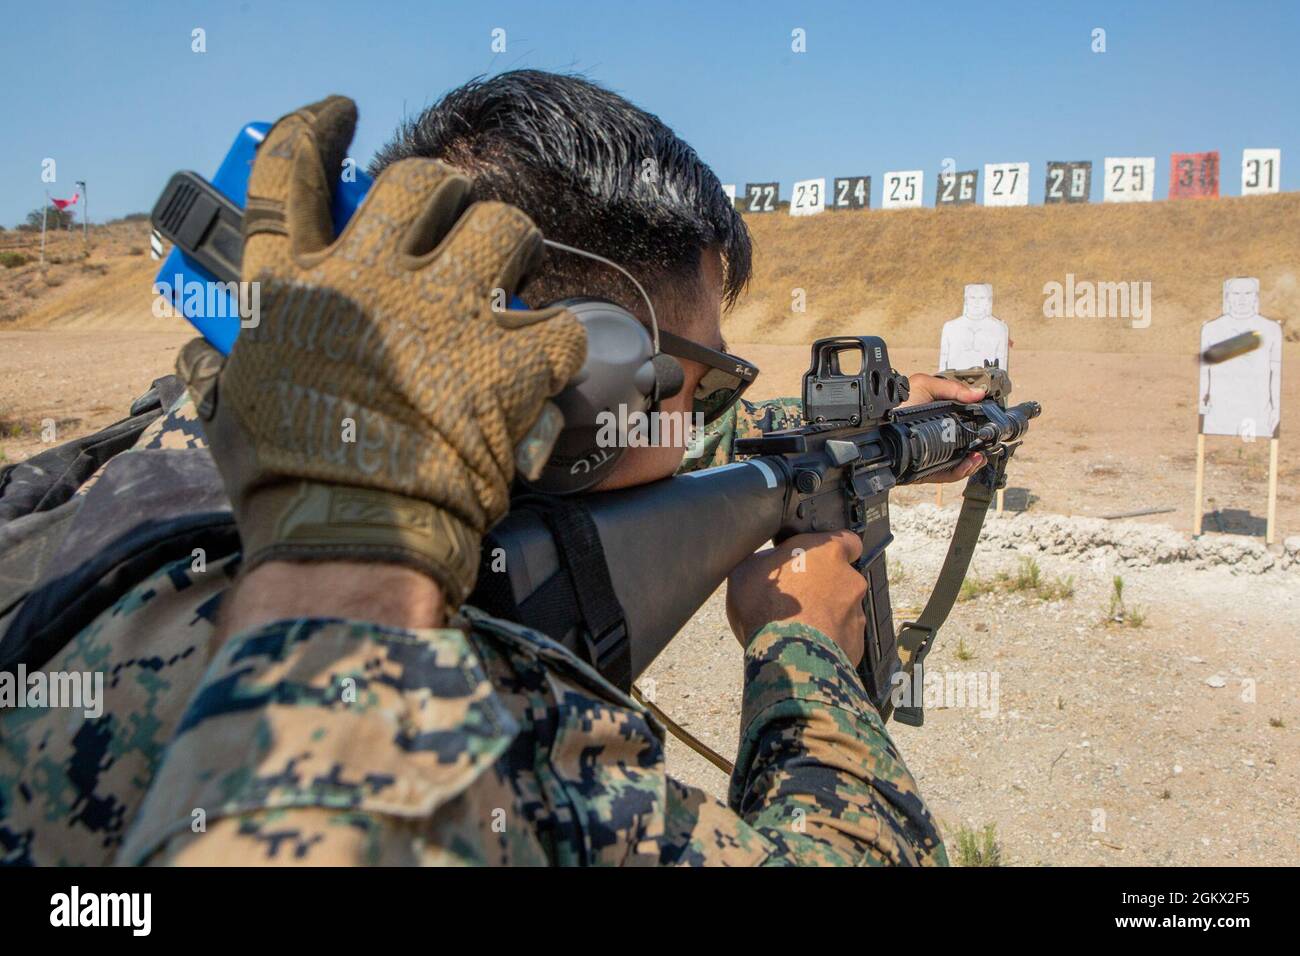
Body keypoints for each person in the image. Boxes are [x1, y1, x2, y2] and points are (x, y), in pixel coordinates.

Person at [0, 73, 986, 866]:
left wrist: (868, 426)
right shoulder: (454, 720)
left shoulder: (216, 436)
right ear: (592, 380)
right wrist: (803, 650)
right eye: (710, 383)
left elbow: (623, 447)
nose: (707, 418)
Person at [938, 283, 1009, 373]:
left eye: (982, 298)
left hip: (986, 379)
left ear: (988, 301)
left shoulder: (999, 328)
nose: (977, 302)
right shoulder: (950, 327)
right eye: (972, 297)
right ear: (966, 300)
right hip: (954, 379)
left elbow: (1001, 363)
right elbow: (943, 360)